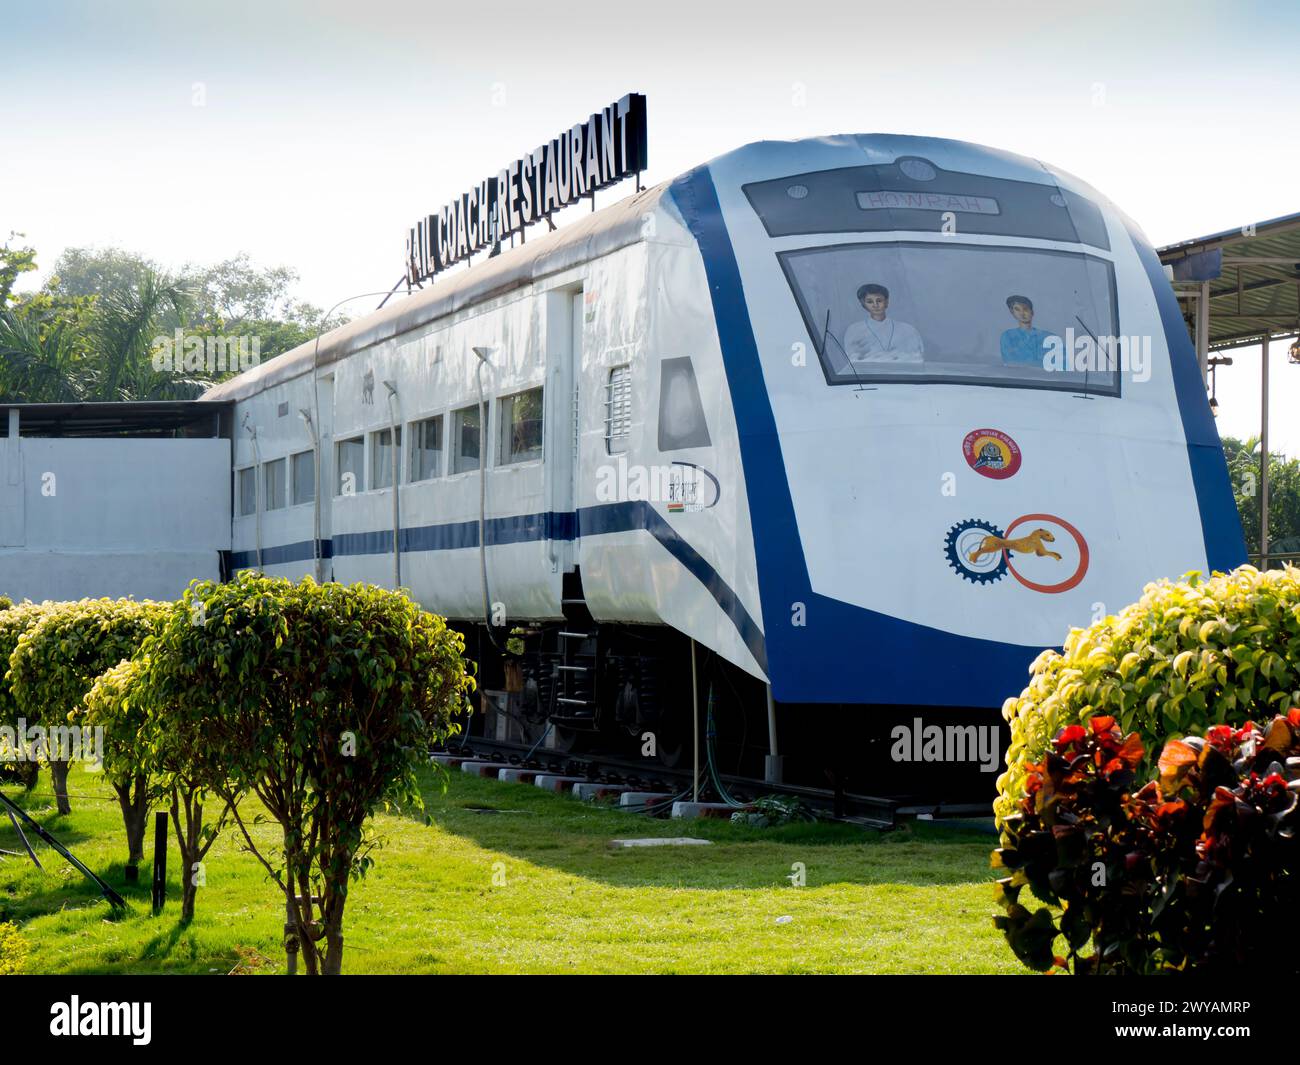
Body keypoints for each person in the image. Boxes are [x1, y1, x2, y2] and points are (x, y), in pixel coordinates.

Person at [842, 284, 924, 363]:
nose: (875, 305)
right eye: (870, 302)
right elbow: (853, 360)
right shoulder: (854, 330)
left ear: (886, 302)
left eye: (879, 300)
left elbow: (917, 359)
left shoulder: (908, 330)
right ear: (863, 305)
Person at [999, 295, 1059, 368]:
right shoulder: (1008, 336)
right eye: (1017, 309)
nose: (1022, 313)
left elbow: (1057, 364)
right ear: (1012, 312)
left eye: (1025, 309)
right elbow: (1010, 362)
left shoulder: (1049, 337)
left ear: (1032, 312)